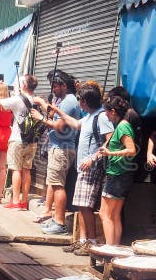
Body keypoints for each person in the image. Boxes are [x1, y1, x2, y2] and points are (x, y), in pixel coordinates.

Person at [48, 84, 113, 254]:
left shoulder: (102, 117)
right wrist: (58, 111)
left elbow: (110, 140)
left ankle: (91, 241)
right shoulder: (90, 116)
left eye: (80, 100)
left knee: (86, 206)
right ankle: (82, 240)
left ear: (85, 101)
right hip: (83, 168)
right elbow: (75, 123)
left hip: (91, 168)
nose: (79, 103)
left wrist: (93, 158)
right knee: (81, 206)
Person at [31, 76, 81, 235]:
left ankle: (60, 222)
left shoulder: (68, 102)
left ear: (64, 86)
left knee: (59, 185)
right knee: (54, 183)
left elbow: (59, 126)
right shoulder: (68, 100)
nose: (53, 89)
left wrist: (40, 118)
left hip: (61, 148)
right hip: (60, 147)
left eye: (55, 86)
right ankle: (54, 218)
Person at [98, 96, 141, 246]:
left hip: (117, 175)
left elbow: (131, 150)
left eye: (107, 112)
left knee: (105, 214)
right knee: (114, 214)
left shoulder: (123, 126)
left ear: (113, 111)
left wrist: (110, 153)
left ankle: (109, 249)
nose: (106, 115)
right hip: (121, 175)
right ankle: (114, 248)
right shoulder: (123, 125)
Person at [0, 74, 39, 210]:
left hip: (17, 139)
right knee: (26, 170)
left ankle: (15, 201)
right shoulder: (37, 100)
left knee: (16, 169)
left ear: (25, 86)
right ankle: (24, 201)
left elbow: (0, 103)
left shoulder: (17, 99)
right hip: (32, 141)